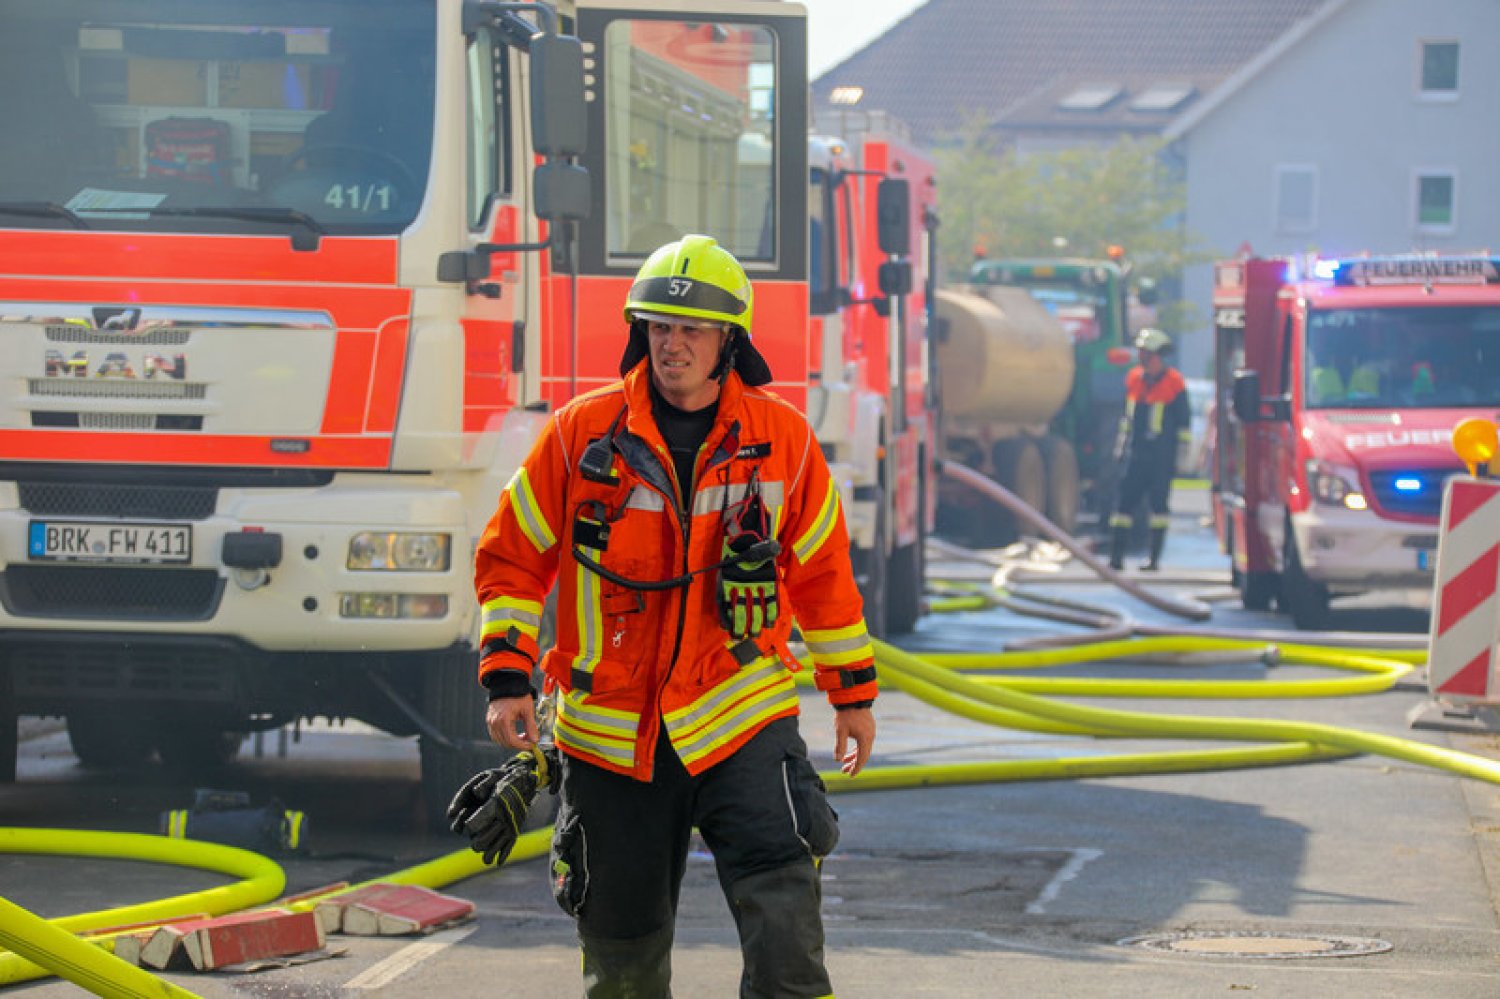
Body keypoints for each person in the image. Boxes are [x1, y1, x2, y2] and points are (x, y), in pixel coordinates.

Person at [472, 234, 878, 998]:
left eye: (691, 329)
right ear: (639, 332)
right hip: (612, 734)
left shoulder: (782, 439)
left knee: (786, 922)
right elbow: (512, 558)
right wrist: (506, 677)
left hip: (740, 719)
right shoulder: (578, 434)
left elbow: (823, 572)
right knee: (621, 954)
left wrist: (852, 694)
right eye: (659, 326)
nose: (673, 343)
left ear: (729, 340)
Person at [1108, 328, 1190, 572]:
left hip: (1161, 458)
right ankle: (1116, 558)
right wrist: (1121, 445)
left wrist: (1181, 458)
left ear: (1156, 355)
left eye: (1145, 353)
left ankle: (1154, 559)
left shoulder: (1174, 383)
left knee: (1158, 508)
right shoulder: (1134, 379)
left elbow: (1183, 425)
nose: (1142, 357)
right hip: (1136, 454)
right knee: (1123, 507)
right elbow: (1127, 418)